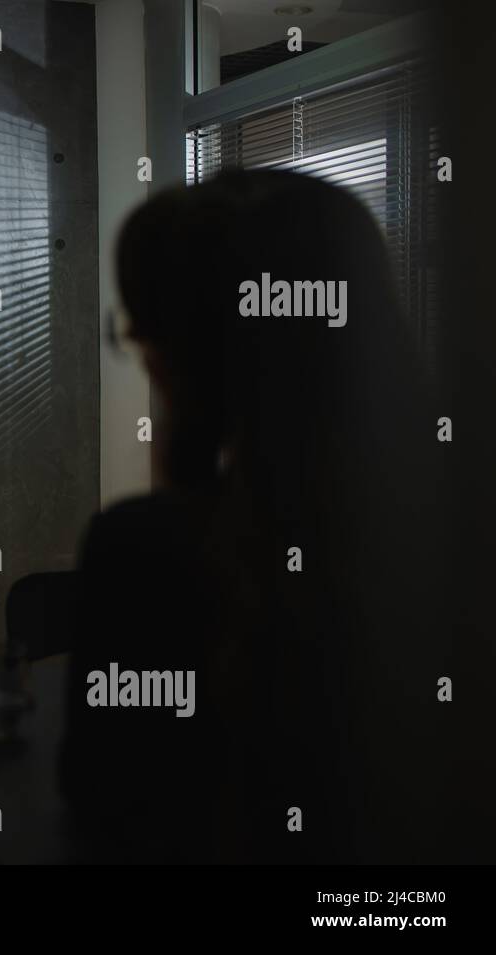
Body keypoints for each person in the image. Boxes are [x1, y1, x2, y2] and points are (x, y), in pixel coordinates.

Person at [59, 170, 450, 863]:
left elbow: (107, 800)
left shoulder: (152, 548)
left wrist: (182, 467)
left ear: (179, 357)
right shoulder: (452, 529)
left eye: (139, 328)